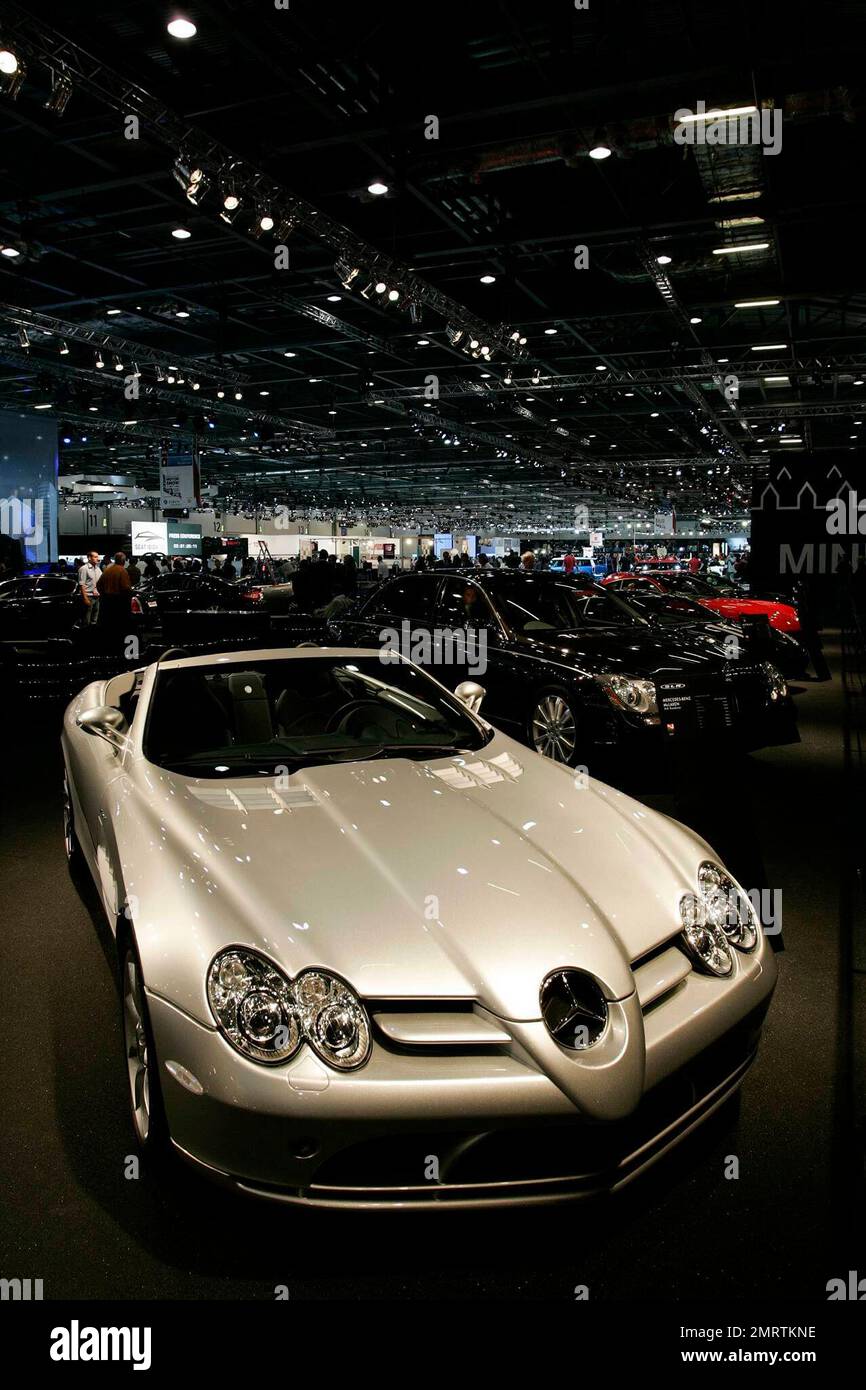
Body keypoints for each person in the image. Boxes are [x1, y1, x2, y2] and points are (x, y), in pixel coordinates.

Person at [96, 551, 132, 631]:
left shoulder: (107, 570)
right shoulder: (122, 571)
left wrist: (104, 594)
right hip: (118, 601)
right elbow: (126, 588)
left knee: (108, 625)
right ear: (123, 561)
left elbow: (98, 584)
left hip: (106, 601)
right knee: (118, 625)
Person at [78, 549, 102, 624]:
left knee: (95, 620)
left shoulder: (98, 569)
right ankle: (86, 635)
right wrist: (85, 598)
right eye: (95, 557)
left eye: (97, 557)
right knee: (86, 620)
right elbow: (82, 585)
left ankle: (93, 635)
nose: (97, 559)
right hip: (88, 597)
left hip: (97, 597)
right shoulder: (84, 569)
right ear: (89, 558)